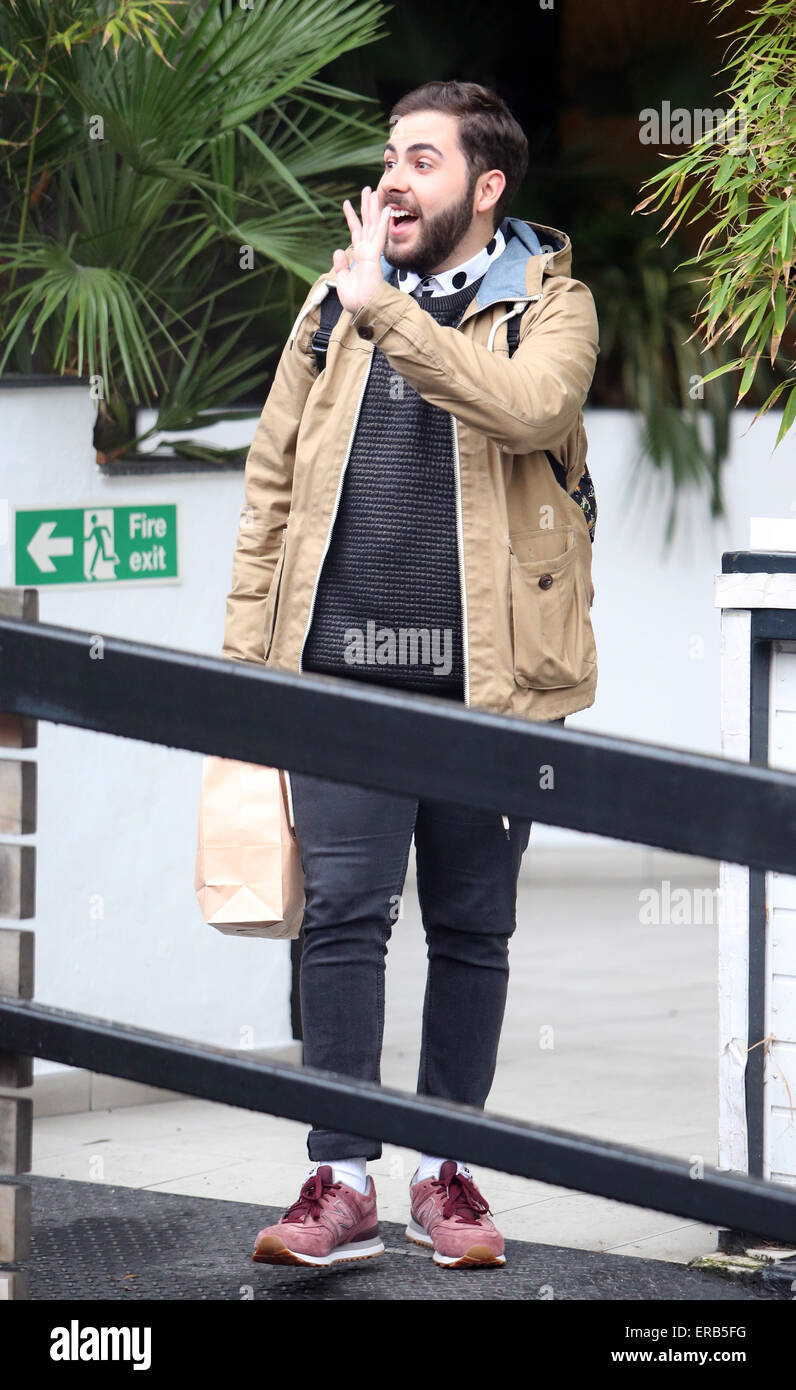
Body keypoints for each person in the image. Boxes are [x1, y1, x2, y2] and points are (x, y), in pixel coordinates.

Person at [222, 80, 599, 1270]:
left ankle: (448, 1173)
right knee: (340, 918)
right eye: (389, 155)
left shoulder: (552, 306)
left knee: (473, 928)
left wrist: (386, 313)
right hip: (339, 677)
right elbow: (270, 484)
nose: (391, 178)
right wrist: (242, 672)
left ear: (486, 188)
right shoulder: (329, 309)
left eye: (421, 160)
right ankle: (338, 1180)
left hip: (493, 685)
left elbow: (527, 408)